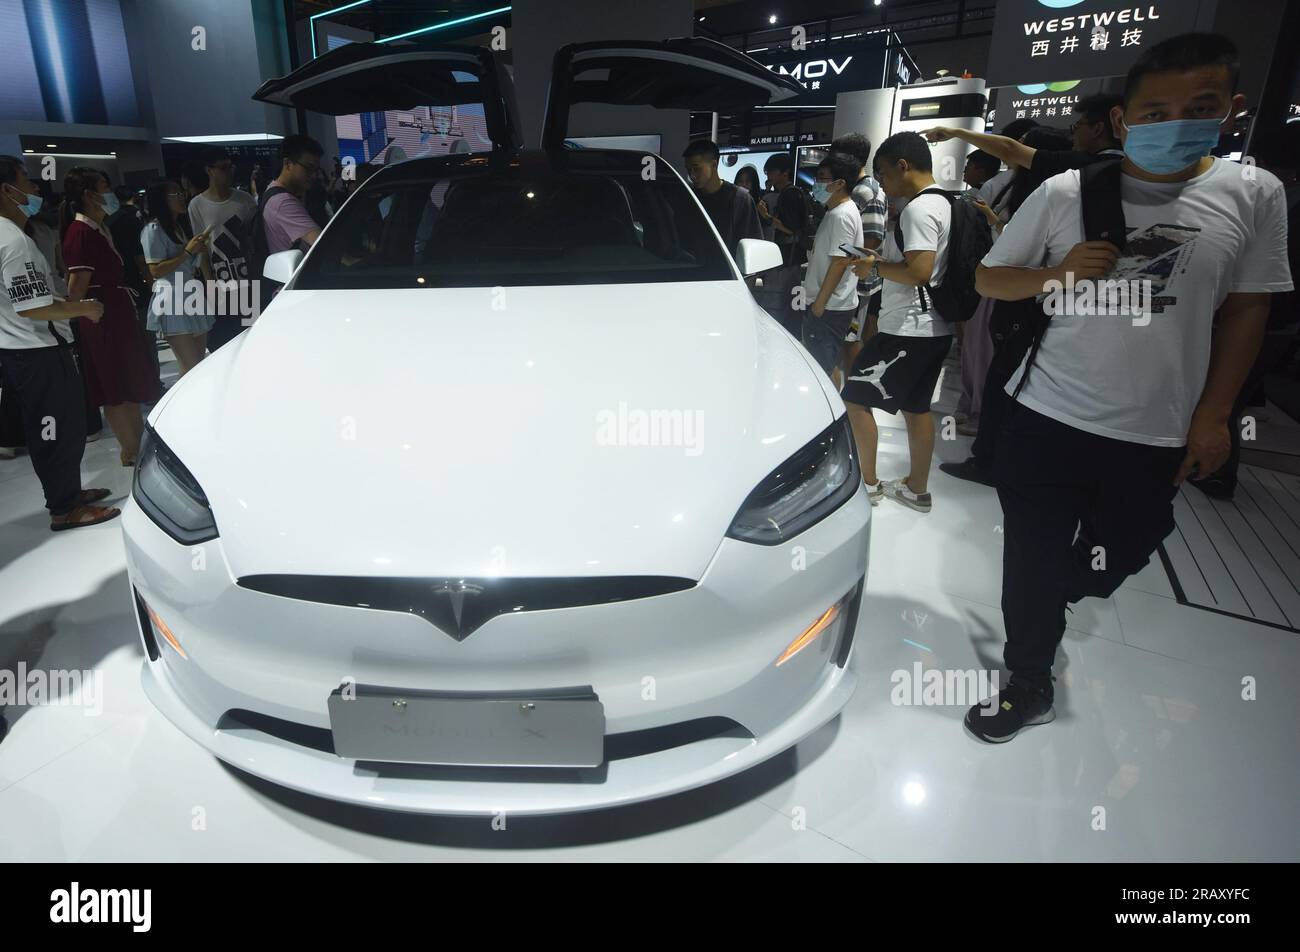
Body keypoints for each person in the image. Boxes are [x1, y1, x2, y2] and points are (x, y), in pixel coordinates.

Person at [967, 33, 1293, 743]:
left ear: (1231, 110)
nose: (1174, 121)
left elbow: (1248, 308)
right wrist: (1057, 275)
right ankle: (1029, 677)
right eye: (1155, 110)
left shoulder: (1253, 194)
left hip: (1157, 430)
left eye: (1198, 106)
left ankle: (1066, 587)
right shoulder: (1065, 192)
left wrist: (1214, 416)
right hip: (1045, 415)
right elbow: (990, 278)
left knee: (1124, 548)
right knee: (1031, 555)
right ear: (1123, 120)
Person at [0, 155, 117, 529]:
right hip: (37, 352)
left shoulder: (11, 236)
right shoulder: (13, 243)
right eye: (27, 182)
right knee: (54, 429)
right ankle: (64, 508)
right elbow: (32, 308)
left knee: (57, 427)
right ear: (7, 190)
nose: (35, 190)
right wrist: (83, 308)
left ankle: (67, 491)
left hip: (24, 352)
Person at [843, 132, 955, 513]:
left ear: (902, 166)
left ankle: (869, 486)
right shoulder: (948, 202)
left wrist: (874, 265)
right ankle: (917, 489)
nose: (884, 186)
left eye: (885, 175)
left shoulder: (919, 209)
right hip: (936, 327)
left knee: (855, 400)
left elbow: (920, 271)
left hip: (907, 327)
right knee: (917, 408)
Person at [61, 167, 160, 466]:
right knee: (114, 385)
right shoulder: (79, 234)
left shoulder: (97, 228)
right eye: (105, 186)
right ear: (90, 195)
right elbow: (75, 289)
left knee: (127, 381)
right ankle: (130, 449)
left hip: (115, 310)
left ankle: (137, 443)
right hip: (101, 316)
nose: (110, 192)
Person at [800, 152, 863, 385]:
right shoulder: (838, 212)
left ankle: (830, 414)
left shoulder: (841, 216)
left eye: (822, 178)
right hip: (832, 304)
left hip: (829, 306)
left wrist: (819, 305)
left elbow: (840, 262)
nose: (817, 183)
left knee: (822, 368)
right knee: (829, 363)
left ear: (839, 184)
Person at [188, 147, 258, 351]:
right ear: (209, 170)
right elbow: (201, 248)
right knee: (223, 342)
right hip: (221, 280)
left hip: (247, 279)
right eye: (223, 167)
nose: (229, 171)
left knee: (250, 336)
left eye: (231, 166)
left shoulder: (244, 200)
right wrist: (210, 284)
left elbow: (254, 239)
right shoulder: (197, 205)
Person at [143, 180, 213, 377]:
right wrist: (188, 252)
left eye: (182, 193)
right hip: (172, 297)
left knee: (198, 365)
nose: (182, 197)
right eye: (176, 195)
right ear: (162, 200)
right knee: (191, 368)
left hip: (190, 292)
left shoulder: (178, 227)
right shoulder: (153, 229)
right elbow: (155, 270)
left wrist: (197, 252)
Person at [830, 133, 888, 373]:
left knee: (849, 339)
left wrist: (838, 250)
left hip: (855, 283)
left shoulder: (864, 192)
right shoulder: (865, 188)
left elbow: (870, 244)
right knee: (848, 338)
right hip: (854, 280)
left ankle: (853, 396)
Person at [756, 153, 810, 334]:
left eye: (772, 171)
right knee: (786, 305)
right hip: (789, 260)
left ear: (784, 173)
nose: (768, 175)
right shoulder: (789, 193)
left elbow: (791, 228)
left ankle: (772, 339)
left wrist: (768, 217)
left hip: (784, 260)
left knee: (774, 305)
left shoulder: (790, 195)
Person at [681, 139, 762, 257]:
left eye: (696, 168)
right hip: (688, 272)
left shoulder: (740, 199)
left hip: (728, 274)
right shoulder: (687, 197)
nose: (692, 175)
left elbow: (753, 247)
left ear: (714, 165)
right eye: (688, 169)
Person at [264, 135, 326, 256]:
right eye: (308, 168)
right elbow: (322, 244)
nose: (314, 175)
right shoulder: (283, 201)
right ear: (288, 164)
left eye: (316, 170)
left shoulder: (273, 191)